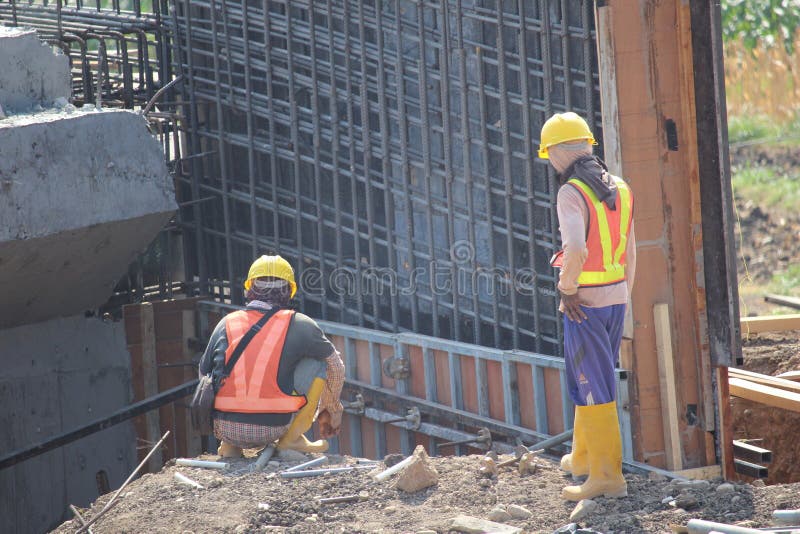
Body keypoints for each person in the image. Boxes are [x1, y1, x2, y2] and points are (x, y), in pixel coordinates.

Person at [538, 112, 636, 501]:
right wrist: (624, 296)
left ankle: (606, 477)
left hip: (586, 304)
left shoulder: (571, 192)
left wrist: (567, 288)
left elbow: (575, 248)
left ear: (560, 152)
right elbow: (630, 249)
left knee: (592, 384)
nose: (549, 162)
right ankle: (582, 456)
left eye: (549, 154)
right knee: (592, 374)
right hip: (615, 298)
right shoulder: (622, 188)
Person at [198, 255, 345, 457]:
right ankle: (291, 439)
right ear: (288, 291)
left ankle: (230, 446)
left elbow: (204, 373)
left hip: (224, 428)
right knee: (319, 363)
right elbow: (336, 367)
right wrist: (331, 408)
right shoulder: (301, 324)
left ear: (250, 289)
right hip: (274, 427)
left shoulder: (227, 322)